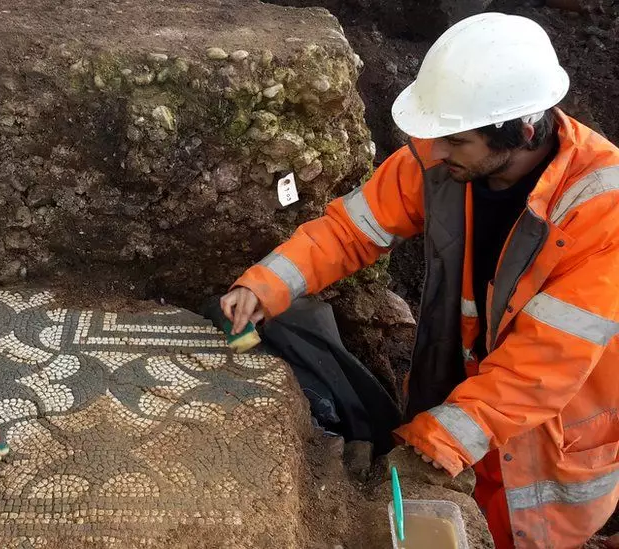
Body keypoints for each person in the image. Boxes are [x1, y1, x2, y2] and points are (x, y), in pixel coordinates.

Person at [221, 13, 618, 549]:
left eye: (456, 141)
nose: (436, 152)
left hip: (547, 438)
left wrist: (436, 438)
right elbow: (350, 231)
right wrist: (268, 283)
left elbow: (542, 366)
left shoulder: (603, 209)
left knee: (507, 533)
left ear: (522, 132)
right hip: (468, 393)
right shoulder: (443, 159)